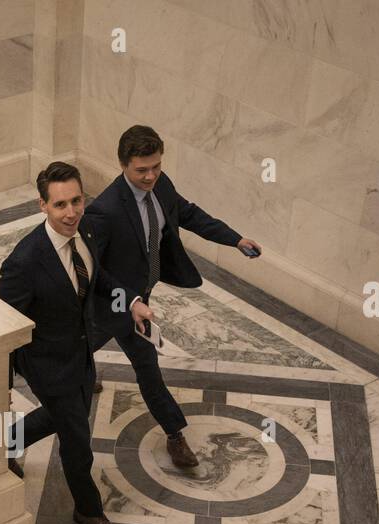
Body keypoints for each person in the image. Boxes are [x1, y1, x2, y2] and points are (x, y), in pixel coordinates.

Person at [85, 124, 263, 469]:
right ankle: (174, 434)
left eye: (156, 166)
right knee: (100, 364)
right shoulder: (105, 210)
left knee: (126, 360)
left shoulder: (161, 185)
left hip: (139, 300)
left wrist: (235, 239)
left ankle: (171, 433)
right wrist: (130, 302)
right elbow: (94, 269)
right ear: (123, 165)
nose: (150, 176)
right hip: (111, 303)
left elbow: (189, 214)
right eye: (142, 170)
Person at [0, 161, 149, 524]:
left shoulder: (87, 231)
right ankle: (89, 510)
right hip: (47, 364)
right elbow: (5, 327)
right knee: (77, 439)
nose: (71, 212)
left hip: (80, 351)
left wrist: (131, 302)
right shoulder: (24, 262)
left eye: (76, 201)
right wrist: (2, 384)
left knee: (64, 417)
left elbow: (99, 277)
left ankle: (6, 443)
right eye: (60, 204)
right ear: (42, 205)